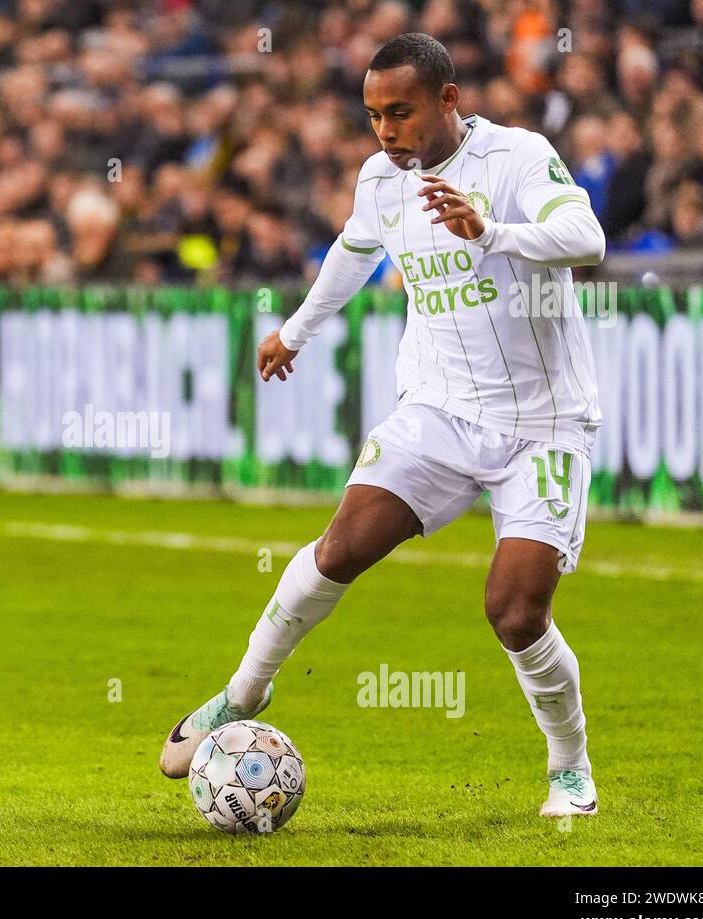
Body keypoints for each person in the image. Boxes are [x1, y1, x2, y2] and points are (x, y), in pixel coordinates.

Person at [160, 33, 605, 820]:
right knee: (339, 549)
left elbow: (587, 239)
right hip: (436, 408)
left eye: (399, 113)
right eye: (372, 116)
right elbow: (353, 249)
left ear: (448, 99)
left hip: (543, 423)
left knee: (515, 611)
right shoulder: (381, 181)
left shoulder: (516, 159)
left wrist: (491, 232)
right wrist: (295, 330)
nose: (386, 132)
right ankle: (242, 692)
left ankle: (570, 768)